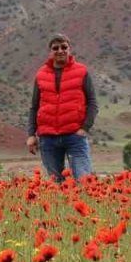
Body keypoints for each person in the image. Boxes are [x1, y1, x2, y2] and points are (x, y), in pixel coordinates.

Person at [26, 32, 98, 182]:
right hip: (48, 138)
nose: (60, 51)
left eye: (63, 47)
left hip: (75, 136)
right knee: (56, 185)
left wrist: (84, 128)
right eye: (55, 48)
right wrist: (31, 134)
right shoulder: (41, 74)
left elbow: (92, 103)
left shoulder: (82, 71)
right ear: (50, 51)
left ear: (69, 49)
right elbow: (34, 106)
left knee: (83, 181)